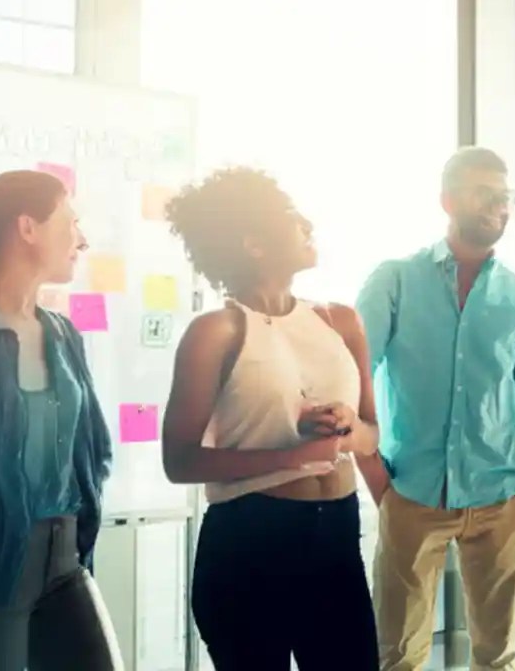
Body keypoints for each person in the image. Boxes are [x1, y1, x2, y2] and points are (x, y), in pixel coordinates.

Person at [160, 167, 381, 670]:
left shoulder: (340, 321)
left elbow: (371, 437)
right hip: (249, 545)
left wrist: (349, 426)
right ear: (254, 244)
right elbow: (179, 461)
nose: (307, 225)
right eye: (290, 216)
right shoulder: (215, 332)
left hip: (337, 539)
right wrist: (292, 456)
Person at [356, 146, 515, 671]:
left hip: (504, 495)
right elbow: (354, 378)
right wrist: (379, 481)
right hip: (412, 492)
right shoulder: (395, 280)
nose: (499, 206)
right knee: (397, 656)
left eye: (506, 196)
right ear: (448, 200)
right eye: (485, 194)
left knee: (499, 659)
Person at [0, 170, 122, 670]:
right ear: (27, 228)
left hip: (65, 561)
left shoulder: (62, 333)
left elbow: (89, 448)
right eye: (71, 222)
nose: (82, 239)